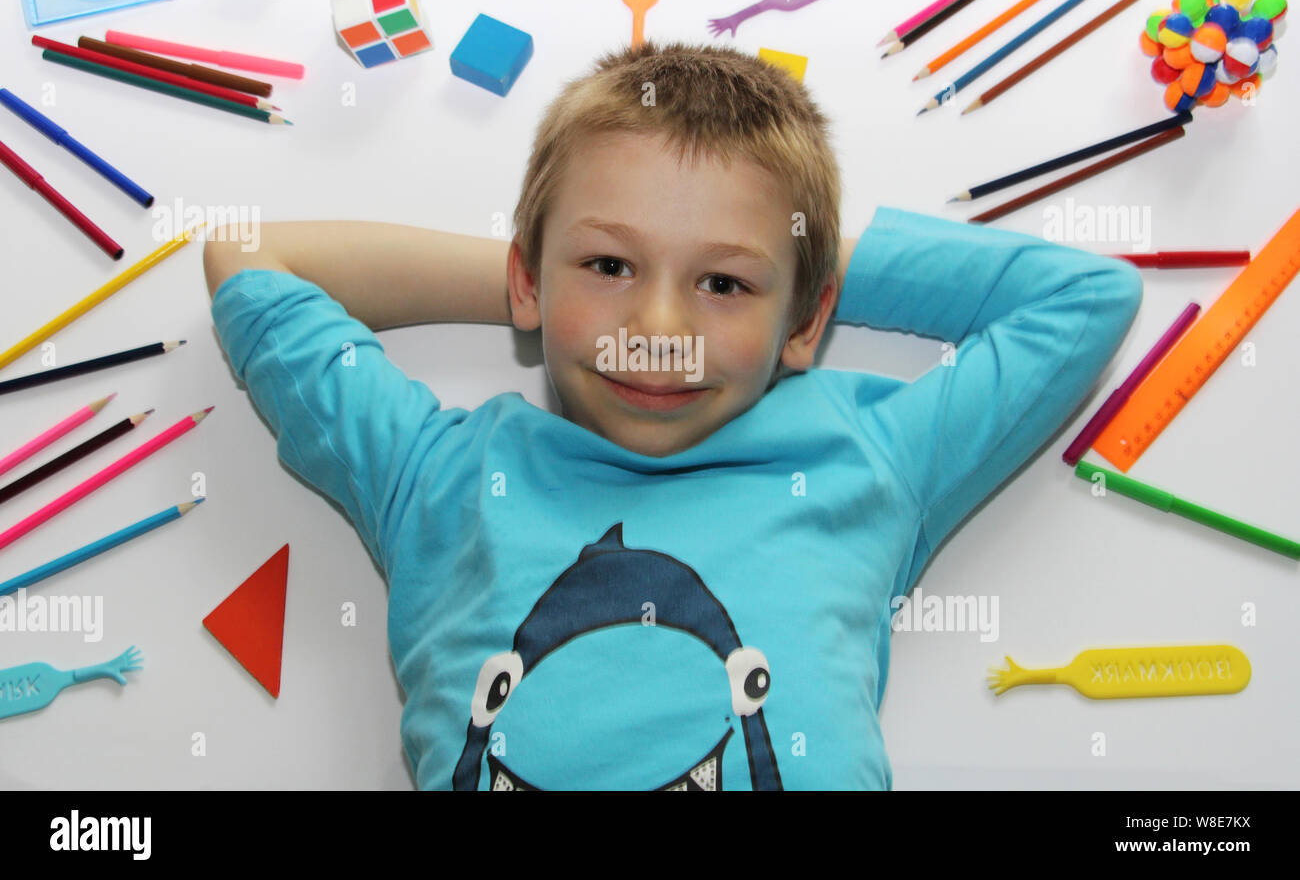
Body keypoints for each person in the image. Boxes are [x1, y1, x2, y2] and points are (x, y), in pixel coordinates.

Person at [203, 41, 1142, 790]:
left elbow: (1085, 297)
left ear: (809, 318)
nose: (658, 330)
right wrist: (541, 282)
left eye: (723, 283)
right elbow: (247, 256)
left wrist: (796, 268)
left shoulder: (864, 457)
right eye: (610, 269)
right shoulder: (437, 477)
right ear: (526, 276)